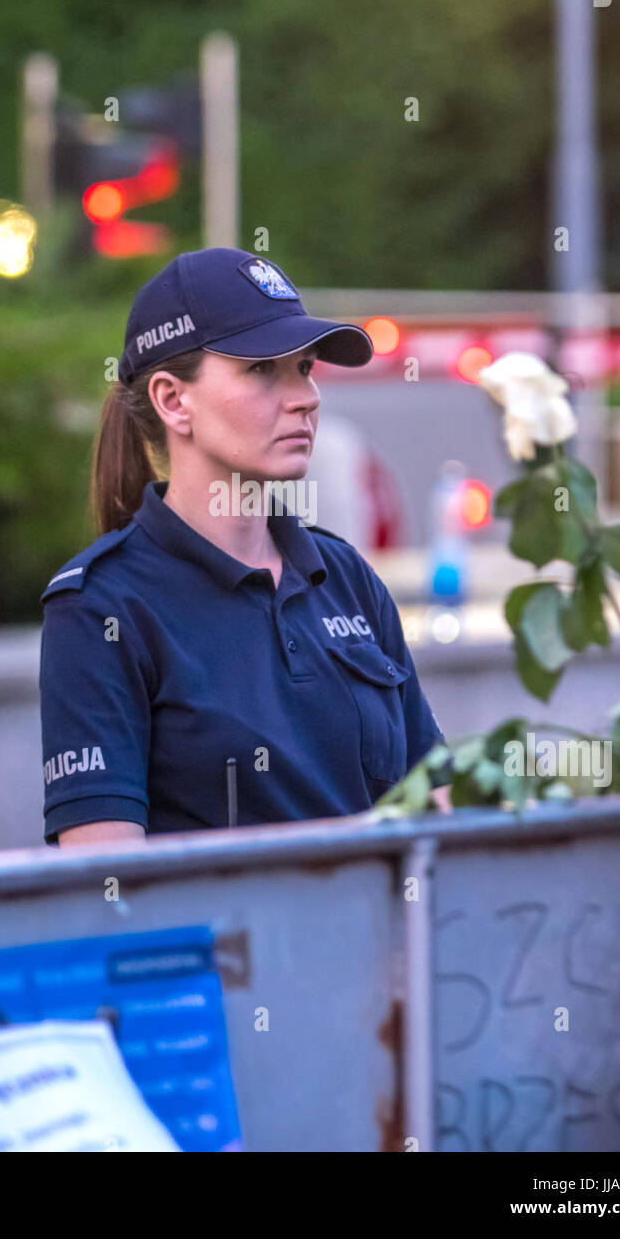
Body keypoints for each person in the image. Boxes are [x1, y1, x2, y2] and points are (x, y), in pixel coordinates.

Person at [39, 247, 451, 848]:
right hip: (233, 944)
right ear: (172, 400)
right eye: (262, 370)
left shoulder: (346, 577)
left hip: (384, 938)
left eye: (305, 368)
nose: (305, 397)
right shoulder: (100, 608)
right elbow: (109, 890)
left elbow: (439, 812)